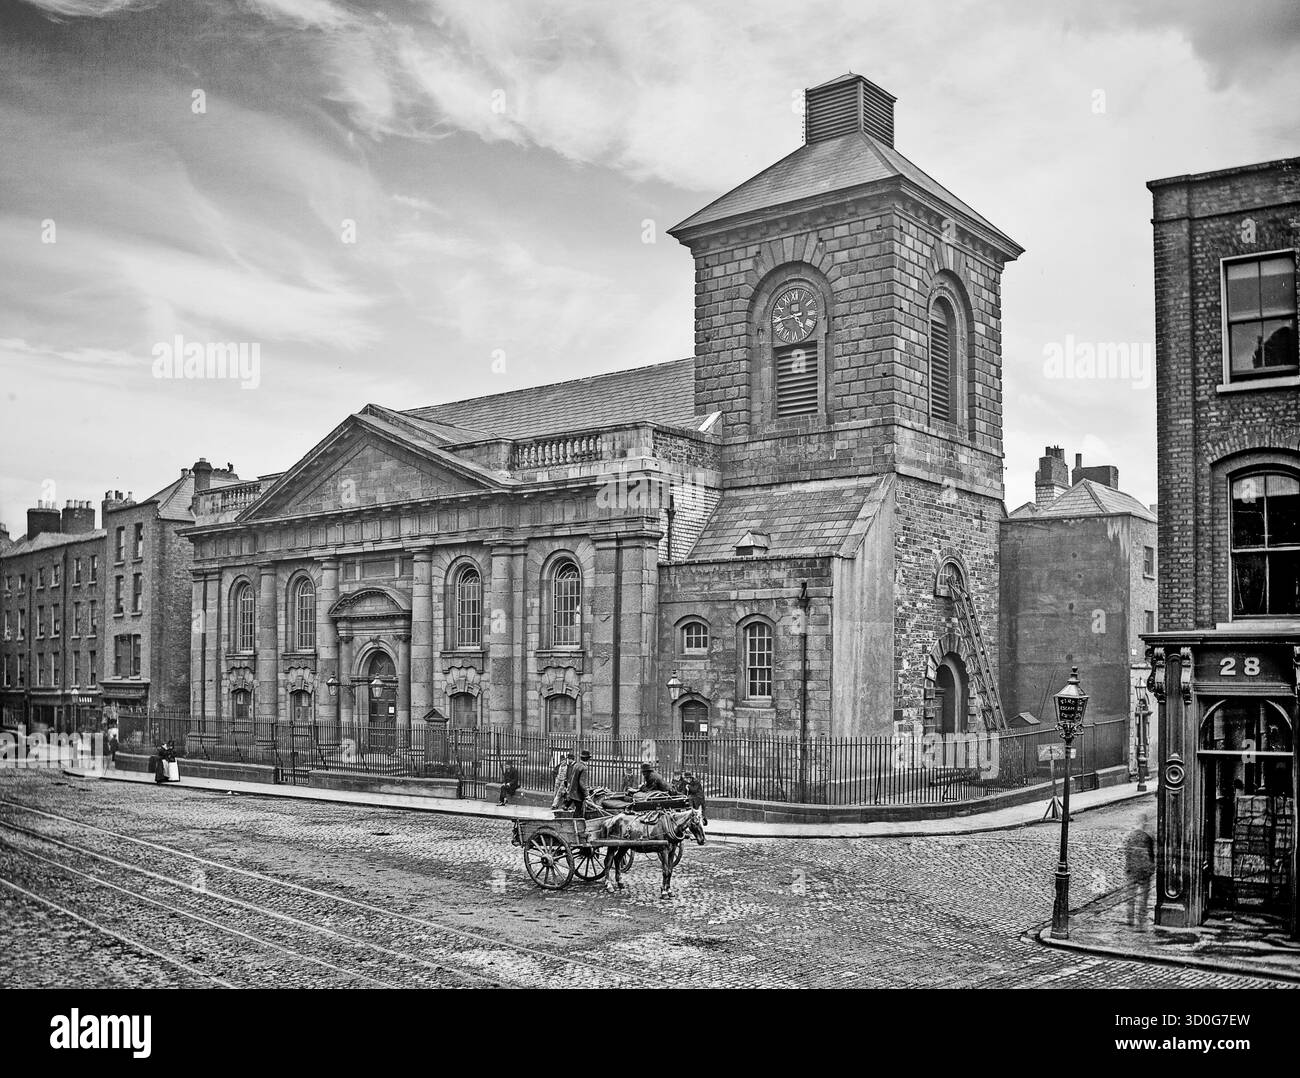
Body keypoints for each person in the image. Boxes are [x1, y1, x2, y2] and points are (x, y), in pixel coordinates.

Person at [1124, 813, 1155, 930]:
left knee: (1130, 896)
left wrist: (1129, 867)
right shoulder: (1147, 837)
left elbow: (1127, 853)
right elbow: (1150, 854)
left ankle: (1130, 918)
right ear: (1144, 823)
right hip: (1144, 870)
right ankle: (1141, 921)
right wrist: (1151, 868)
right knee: (1143, 896)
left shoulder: (1130, 836)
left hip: (1132, 870)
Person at [567, 749, 592, 817]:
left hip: (572, 792)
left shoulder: (576, 765)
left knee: (576, 809)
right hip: (578, 794)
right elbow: (582, 784)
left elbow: (571, 778)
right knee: (579, 810)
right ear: (587, 759)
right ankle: (575, 824)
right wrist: (587, 795)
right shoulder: (584, 768)